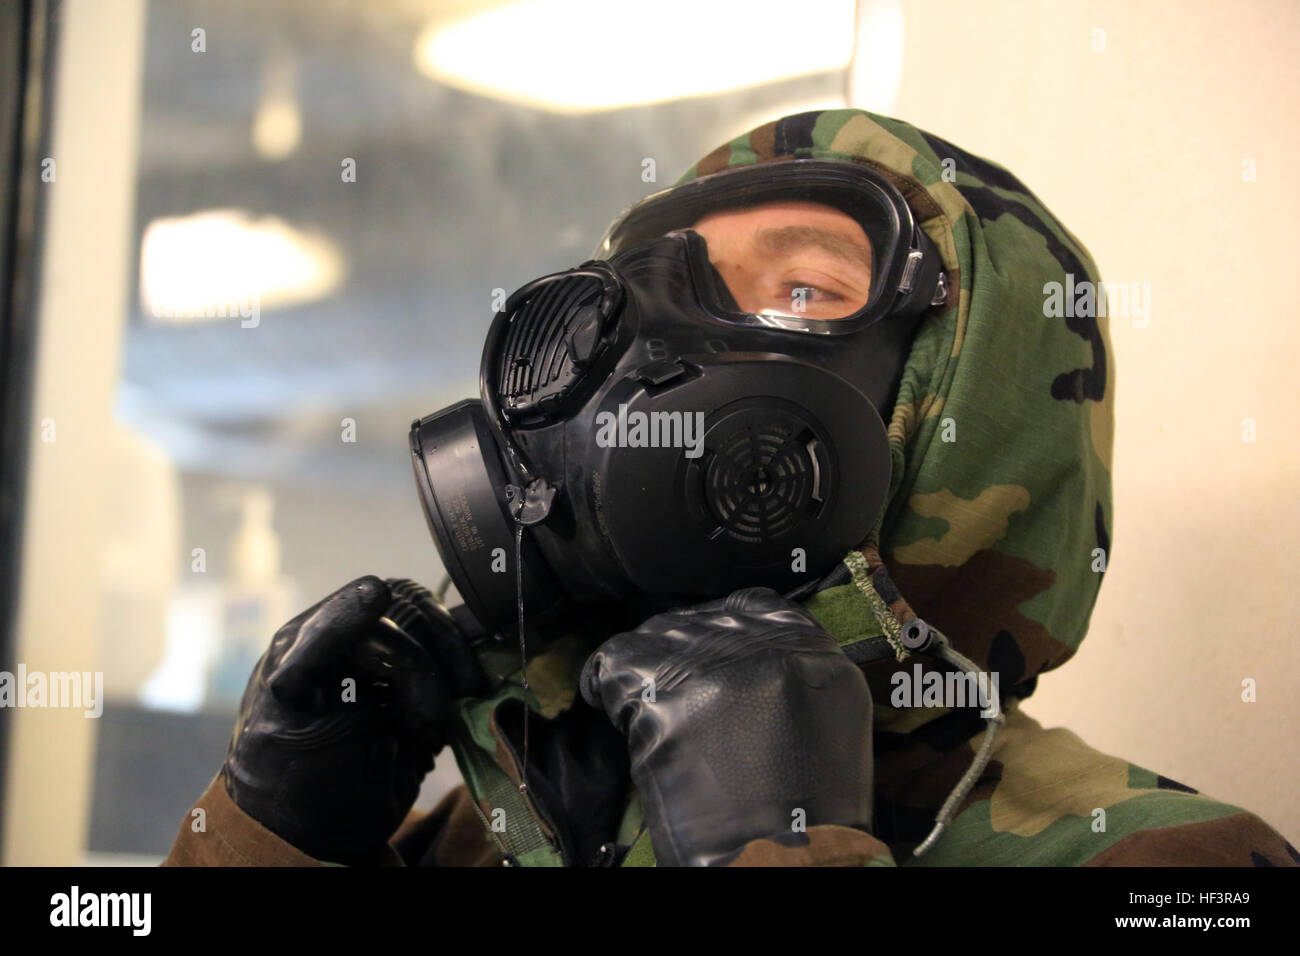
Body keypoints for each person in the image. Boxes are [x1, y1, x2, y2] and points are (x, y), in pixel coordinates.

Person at [164, 108, 1297, 867]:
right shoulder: (501, 814)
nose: (642, 348)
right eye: (633, 289)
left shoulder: (1165, 859)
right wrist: (269, 836)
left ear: (974, 413)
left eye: (803, 287)